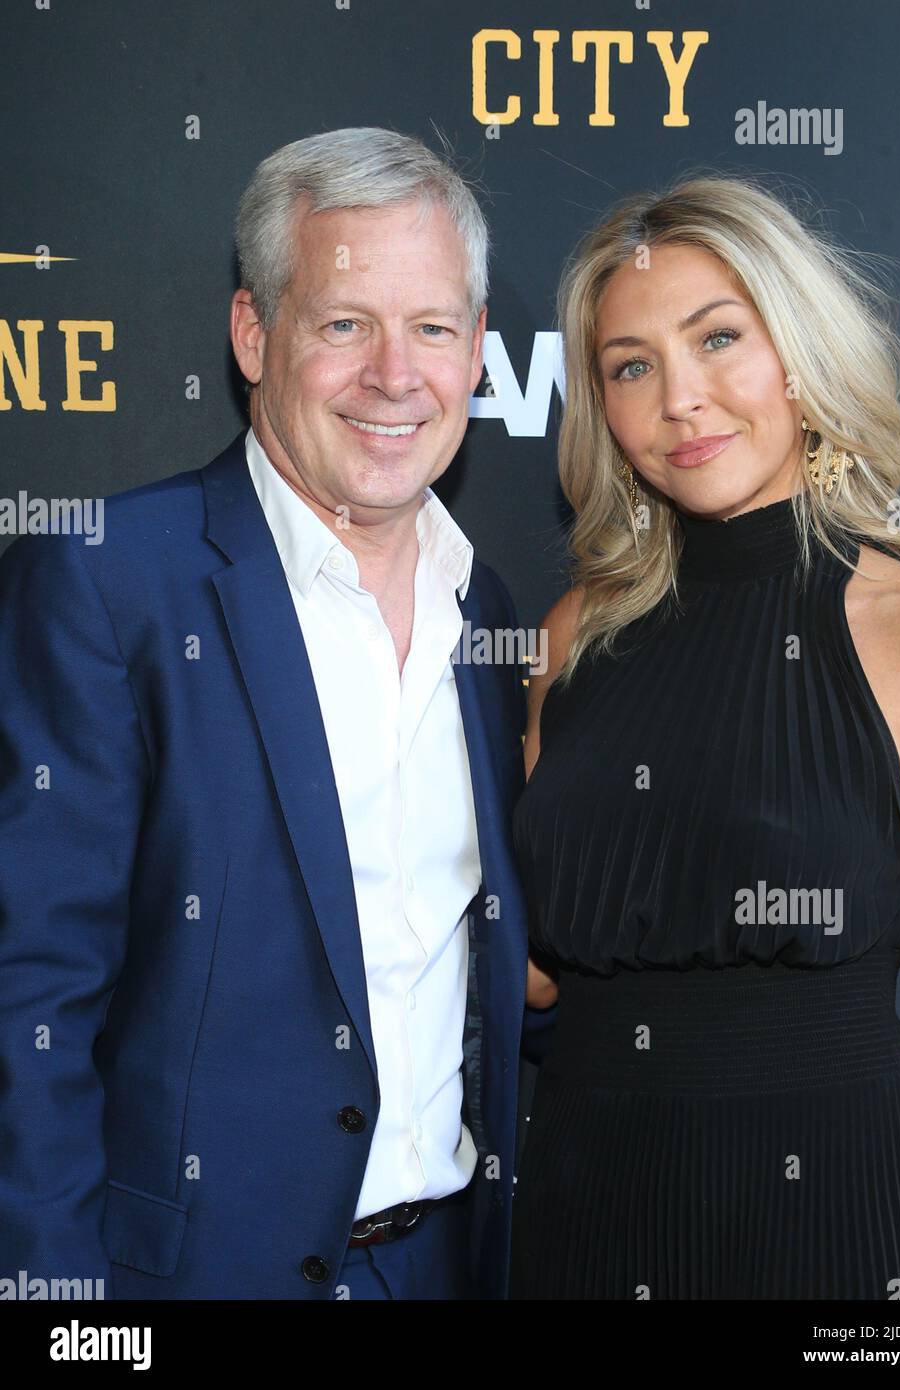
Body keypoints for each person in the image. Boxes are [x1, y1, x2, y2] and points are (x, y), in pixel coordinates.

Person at [0, 127, 551, 1301]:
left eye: (434, 328)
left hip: (444, 1267)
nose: (395, 375)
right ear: (256, 335)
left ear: (478, 351)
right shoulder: (112, 582)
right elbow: (31, 996)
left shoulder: (487, 614)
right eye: (345, 323)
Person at [510, 175, 900, 1300]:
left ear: (799, 355)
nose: (680, 397)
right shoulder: (571, 641)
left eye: (717, 338)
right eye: (631, 365)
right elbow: (527, 976)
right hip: (584, 1218)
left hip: (835, 1226)